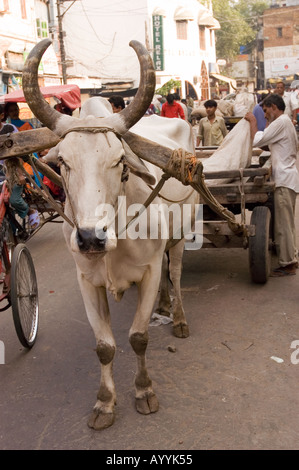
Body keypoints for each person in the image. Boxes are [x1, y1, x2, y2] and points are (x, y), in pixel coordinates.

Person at [245, 94, 299, 276]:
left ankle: (288, 264)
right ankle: (291, 258)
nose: (265, 115)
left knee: (283, 225)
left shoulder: (282, 121)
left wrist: (253, 121)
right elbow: (270, 145)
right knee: (288, 223)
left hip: (284, 180)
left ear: (273, 106)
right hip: (288, 178)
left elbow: (257, 141)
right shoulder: (286, 123)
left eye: (266, 111)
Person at [0, 104, 40, 229]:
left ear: (1, 116)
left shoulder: (9, 129)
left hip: (12, 170)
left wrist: (20, 174)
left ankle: (30, 211)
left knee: (14, 200)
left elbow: (19, 153)